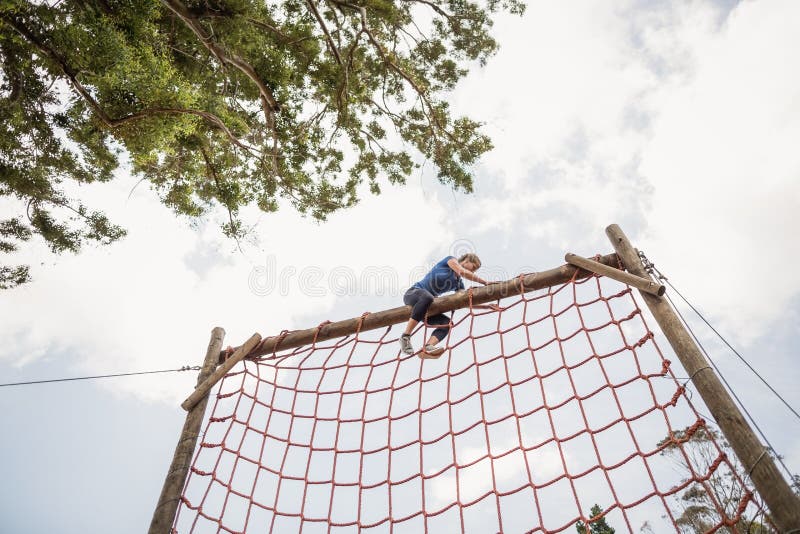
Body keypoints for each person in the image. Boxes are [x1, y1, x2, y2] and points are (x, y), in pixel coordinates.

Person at [400, 252, 498, 357]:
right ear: (467, 260)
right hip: (414, 293)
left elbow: (464, 302)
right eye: (473, 267)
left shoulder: (459, 283)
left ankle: (428, 347)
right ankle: (405, 336)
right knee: (428, 297)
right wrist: (485, 282)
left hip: (426, 306)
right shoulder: (451, 260)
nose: (473, 271)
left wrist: (486, 307)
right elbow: (461, 271)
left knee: (447, 323)